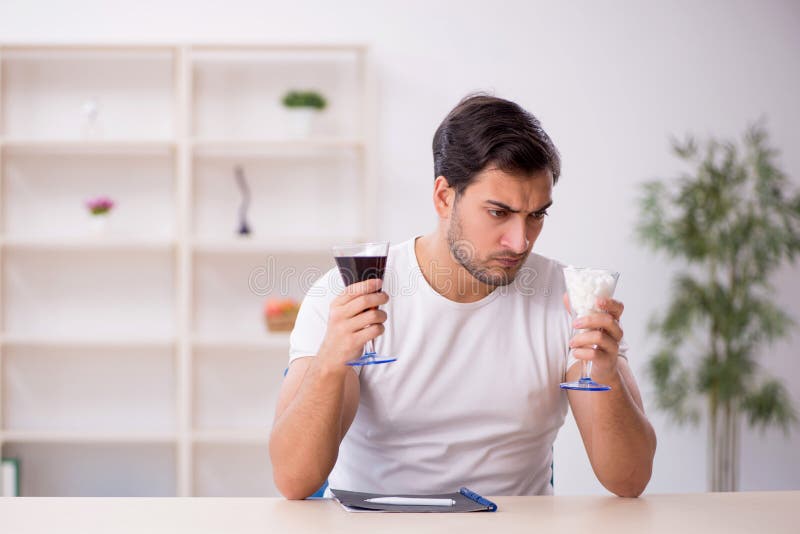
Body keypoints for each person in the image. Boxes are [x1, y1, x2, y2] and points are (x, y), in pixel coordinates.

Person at [269, 94, 657, 499]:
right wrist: (331, 361)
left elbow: (628, 480)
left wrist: (607, 373)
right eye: (498, 212)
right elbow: (294, 481)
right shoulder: (351, 293)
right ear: (443, 197)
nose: (520, 240)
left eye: (536, 215)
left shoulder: (567, 298)